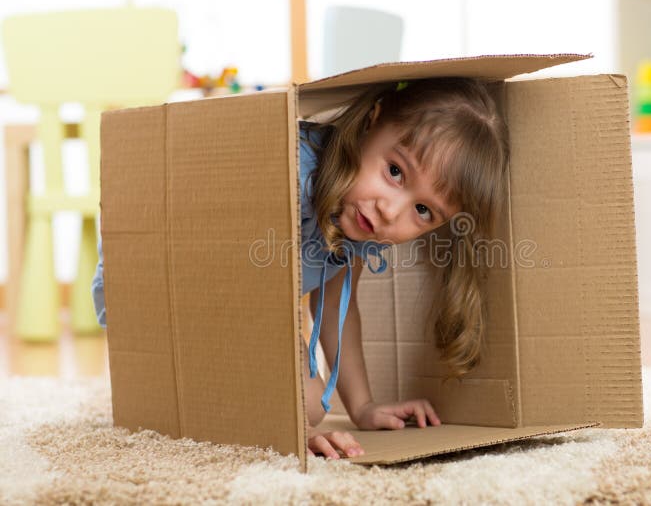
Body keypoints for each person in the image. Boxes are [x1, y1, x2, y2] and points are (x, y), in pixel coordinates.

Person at [91, 77, 510, 461]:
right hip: (165, 286)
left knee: (312, 404)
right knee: (302, 410)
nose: (389, 209)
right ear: (371, 119)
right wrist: (286, 426)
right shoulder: (294, 175)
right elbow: (246, 297)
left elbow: (335, 310)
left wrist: (362, 407)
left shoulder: (359, 218)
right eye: (395, 171)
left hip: (241, 313)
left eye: (422, 211)